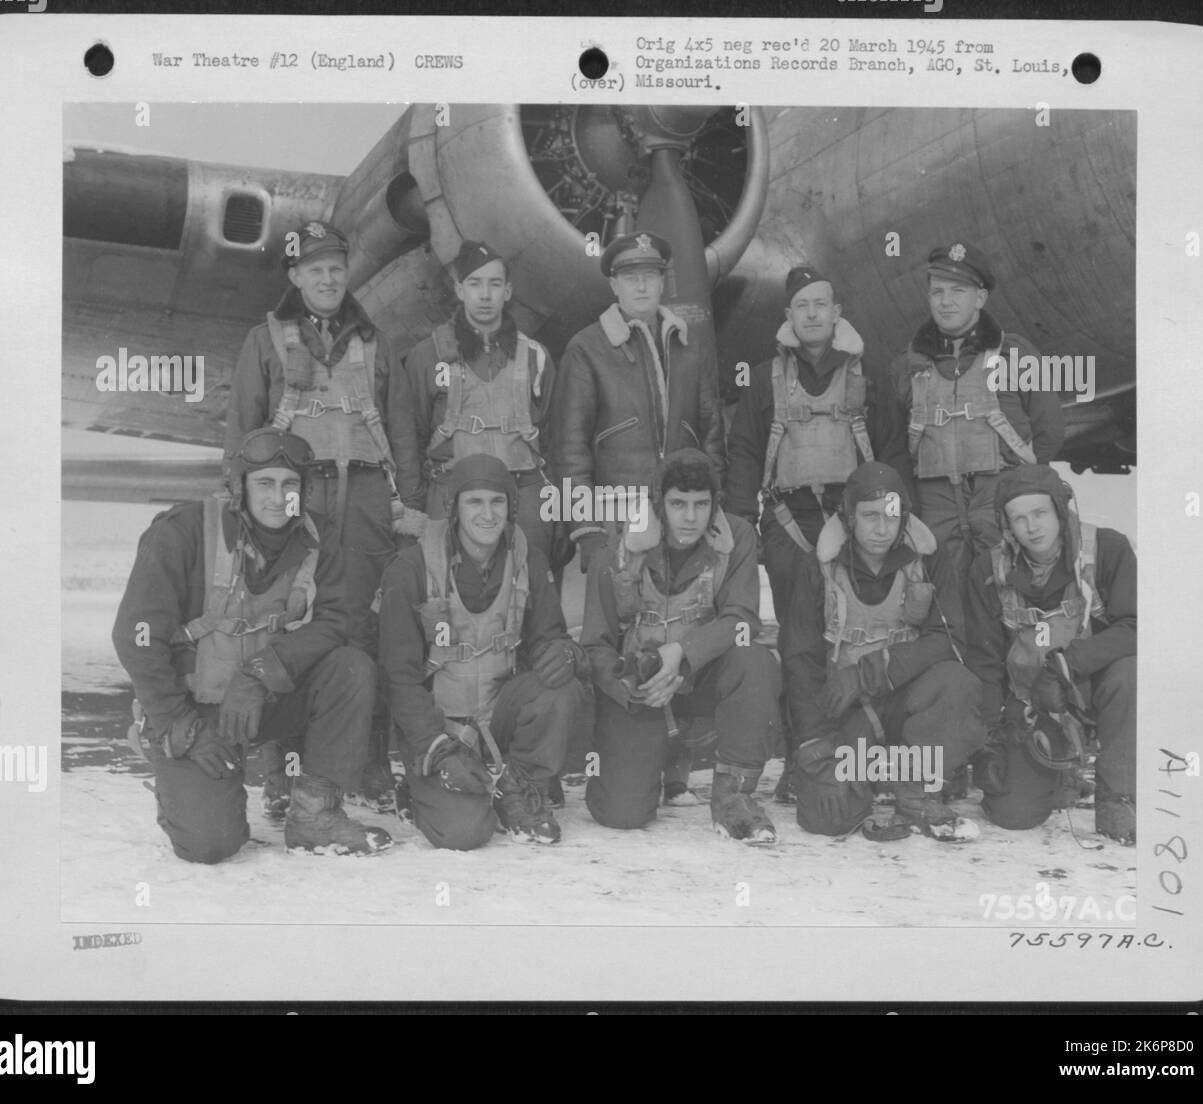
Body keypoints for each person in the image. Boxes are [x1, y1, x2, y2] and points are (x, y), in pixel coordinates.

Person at [112, 428, 390, 862]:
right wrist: (178, 724)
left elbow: (338, 620)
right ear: (240, 486)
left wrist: (262, 673)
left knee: (350, 666)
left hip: (262, 700)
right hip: (197, 710)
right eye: (264, 483)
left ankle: (314, 816)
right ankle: (179, 780)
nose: (279, 498)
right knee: (211, 844)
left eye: (291, 485)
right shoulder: (183, 531)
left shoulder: (319, 540)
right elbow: (135, 636)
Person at [224, 219, 408, 810]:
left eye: (336, 268)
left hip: (368, 499)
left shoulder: (377, 342)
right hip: (293, 499)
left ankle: (370, 758)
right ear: (296, 276)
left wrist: (413, 507)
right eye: (316, 270)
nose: (328, 279)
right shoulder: (265, 340)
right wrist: (242, 508)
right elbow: (243, 432)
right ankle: (285, 765)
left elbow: (402, 431)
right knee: (291, 618)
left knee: (368, 622)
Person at [726, 265, 911, 803]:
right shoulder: (765, 379)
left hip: (855, 524)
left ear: (837, 313)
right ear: (788, 317)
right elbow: (744, 452)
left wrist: (898, 523)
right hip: (791, 524)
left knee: (855, 637)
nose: (811, 313)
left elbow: (893, 449)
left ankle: (857, 747)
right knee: (797, 641)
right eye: (801, 305)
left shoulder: (867, 375)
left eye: (821, 304)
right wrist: (740, 527)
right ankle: (799, 751)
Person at [379, 454, 586, 849]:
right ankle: (422, 786)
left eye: (498, 502)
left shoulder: (528, 560)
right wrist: (435, 748)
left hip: (499, 711)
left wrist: (565, 653)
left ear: (511, 508)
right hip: (439, 723)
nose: (488, 514)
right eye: (474, 502)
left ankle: (518, 786)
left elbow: (549, 637)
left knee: (561, 687)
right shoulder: (410, 569)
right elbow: (398, 677)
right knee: (466, 833)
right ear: (454, 508)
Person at [581, 449, 781, 842]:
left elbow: (741, 619)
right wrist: (633, 687)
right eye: (678, 504)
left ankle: (732, 796)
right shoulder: (619, 545)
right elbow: (594, 646)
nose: (690, 517)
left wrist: (683, 655)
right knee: (622, 812)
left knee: (755, 662)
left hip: (702, 677)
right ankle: (659, 759)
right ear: (659, 503)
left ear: (714, 504)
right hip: (639, 690)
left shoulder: (736, 536)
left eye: (701, 504)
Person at [780, 461, 983, 841]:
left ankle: (917, 792)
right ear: (849, 518)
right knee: (828, 820)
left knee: (957, 683)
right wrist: (813, 738)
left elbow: (949, 640)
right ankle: (864, 778)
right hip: (845, 711)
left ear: (904, 517)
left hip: (903, 701)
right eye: (869, 516)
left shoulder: (929, 562)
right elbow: (799, 658)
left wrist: (869, 673)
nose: (881, 527)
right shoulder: (817, 569)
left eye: (892, 516)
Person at [965, 464, 1137, 844]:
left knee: (1131, 673)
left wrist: (1067, 664)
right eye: (1019, 518)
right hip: (1030, 703)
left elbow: (1136, 627)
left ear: (1060, 510)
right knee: (1013, 815)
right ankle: (1057, 772)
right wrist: (991, 739)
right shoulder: (988, 570)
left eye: (1040, 512)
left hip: (1091, 687)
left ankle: (1118, 795)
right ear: (1008, 525)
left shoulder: (1108, 549)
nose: (1032, 527)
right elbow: (984, 659)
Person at [551, 231, 726, 574]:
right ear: (614, 286)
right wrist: (586, 528)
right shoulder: (586, 349)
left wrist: (713, 506)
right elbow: (569, 449)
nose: (642, 287)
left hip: (683, 515)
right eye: (631, 278)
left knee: (684, 619)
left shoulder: (690, 347)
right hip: (618, 519)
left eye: (650, 277)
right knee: (616, 622)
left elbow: (712, 435)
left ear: (663, 282)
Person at [889, 243, 1064, 573]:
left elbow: (1049, 427)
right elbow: (896, 445)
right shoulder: (906, 367)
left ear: (980, 298)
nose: (946, 301)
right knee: (947, 602)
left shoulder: (1017, 355)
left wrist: (1024, 488)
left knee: (1008, 592)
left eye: (958, 291)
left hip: (1001, 495)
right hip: (934, 503)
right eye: (937, 291)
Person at [390, 240, 559, 564]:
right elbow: (411, 439)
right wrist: (412, 510)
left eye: (494, 284)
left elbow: (556, 440)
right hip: (450, 495)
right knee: (450, 598)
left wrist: (560, 513)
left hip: (523, 495)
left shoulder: (536, 357)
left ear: (507, 291)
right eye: (475, 284)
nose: (485, 295)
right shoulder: (427, 357)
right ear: (459, 289)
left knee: (530, 597)